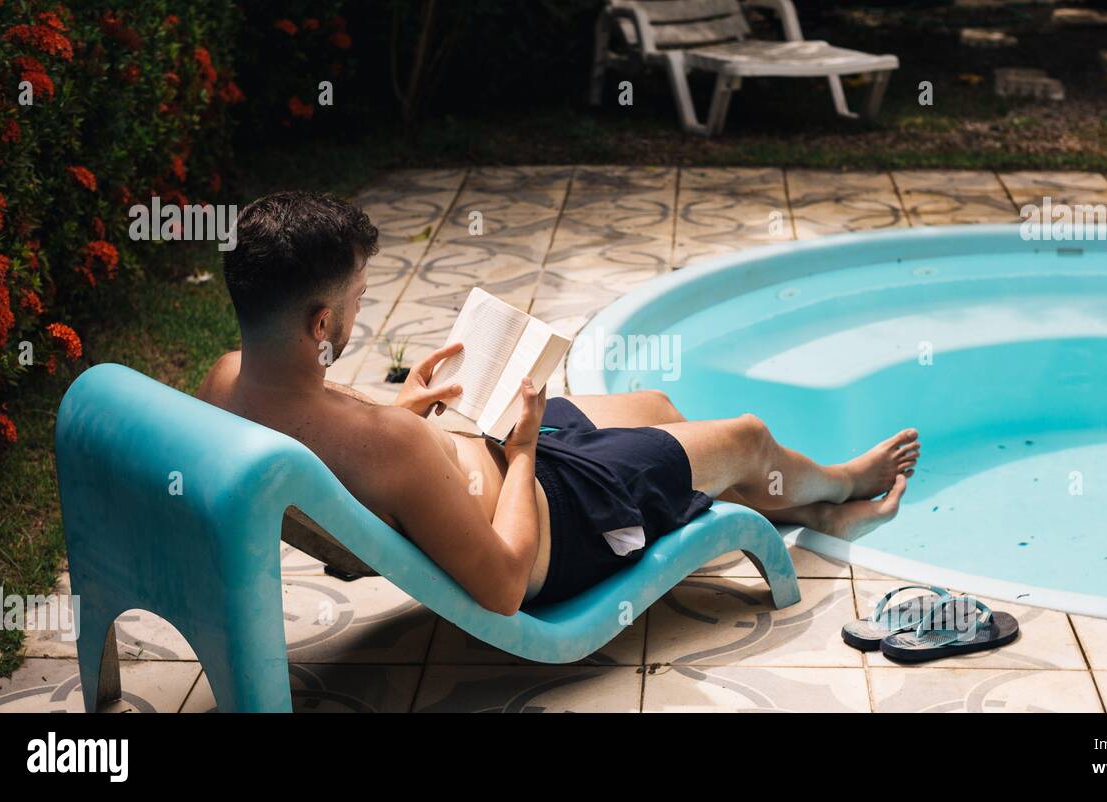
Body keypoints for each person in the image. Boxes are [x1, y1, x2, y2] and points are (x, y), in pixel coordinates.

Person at [197, 192, 919, 616]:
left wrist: (412, 403)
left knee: (660, 406)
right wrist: (521, 452)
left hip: (486, 468)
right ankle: (841, 485)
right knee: (748, 438)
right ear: (320, 325)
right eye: (358, 296)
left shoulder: (225, 384)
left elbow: (349, 467)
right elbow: (506, 588)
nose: (365, 305)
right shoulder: (392, 449)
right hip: (554, 523)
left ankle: (802, 510)